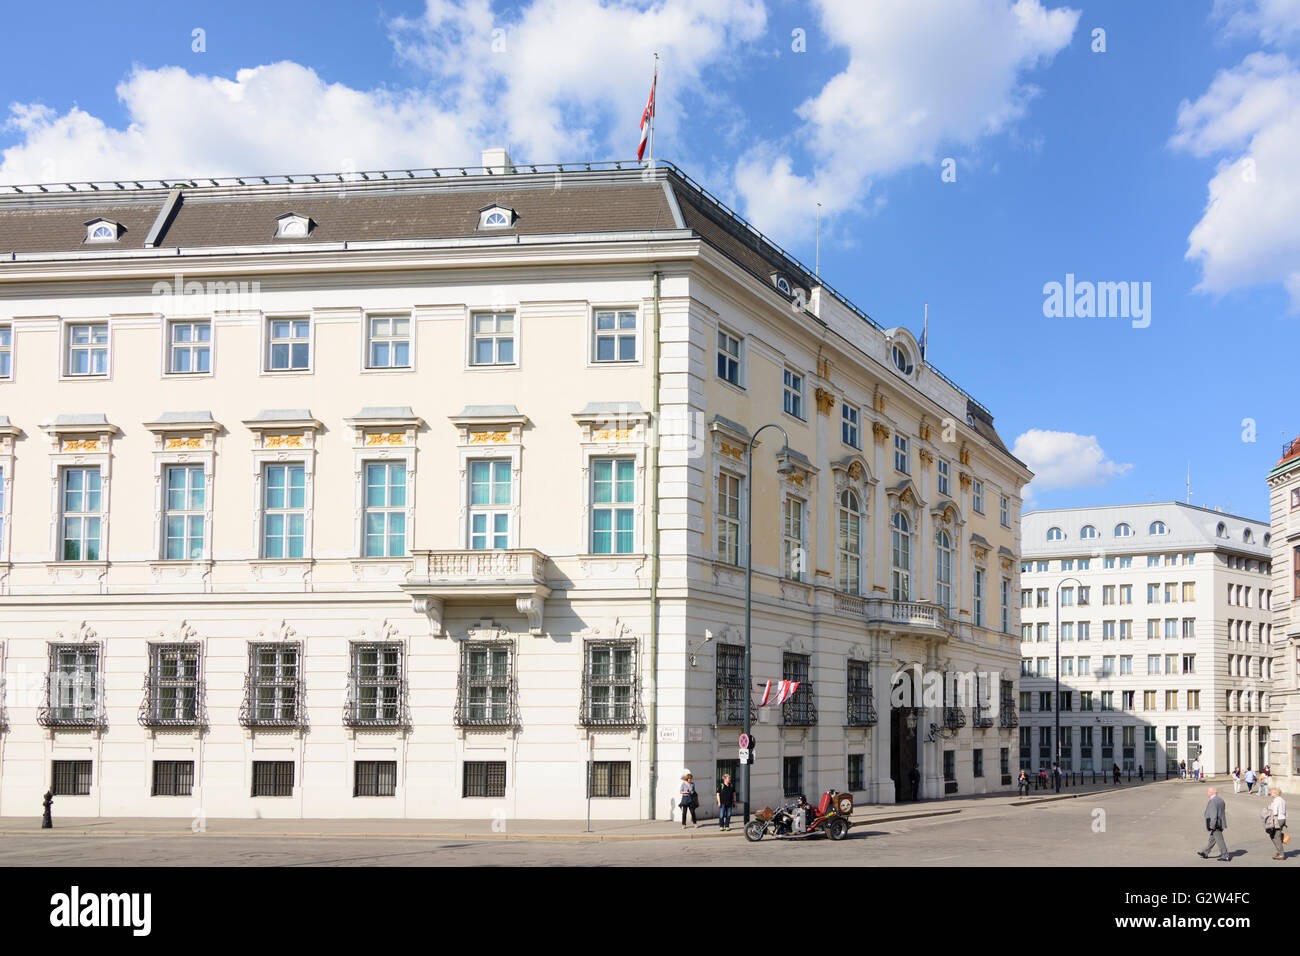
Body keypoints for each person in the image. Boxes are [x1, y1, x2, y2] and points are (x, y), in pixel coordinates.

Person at [1198, 787, 1230, 861]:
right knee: (1212, 839)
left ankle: (1225, 855)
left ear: (1211, 792)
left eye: (1208, 791)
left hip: (1216, 824)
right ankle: (1205, 852)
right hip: (1221, 822)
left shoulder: (1213, 801)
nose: (1207, 793)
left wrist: (1212, 825)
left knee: (1220, 840)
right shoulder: (1220, 800)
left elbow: (1213, 814)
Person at [1264, 788, 1287, 860]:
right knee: (1276, 835)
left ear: (1275, 793)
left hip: (1277, 819)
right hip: (1282, 818)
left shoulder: (1276, 801)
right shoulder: (1282, 800)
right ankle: (1279, 852)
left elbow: (1274, 812)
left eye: (1271, 792)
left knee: (1275, 837)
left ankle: (1281, 854)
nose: (1270, 793)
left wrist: (1270, 806)